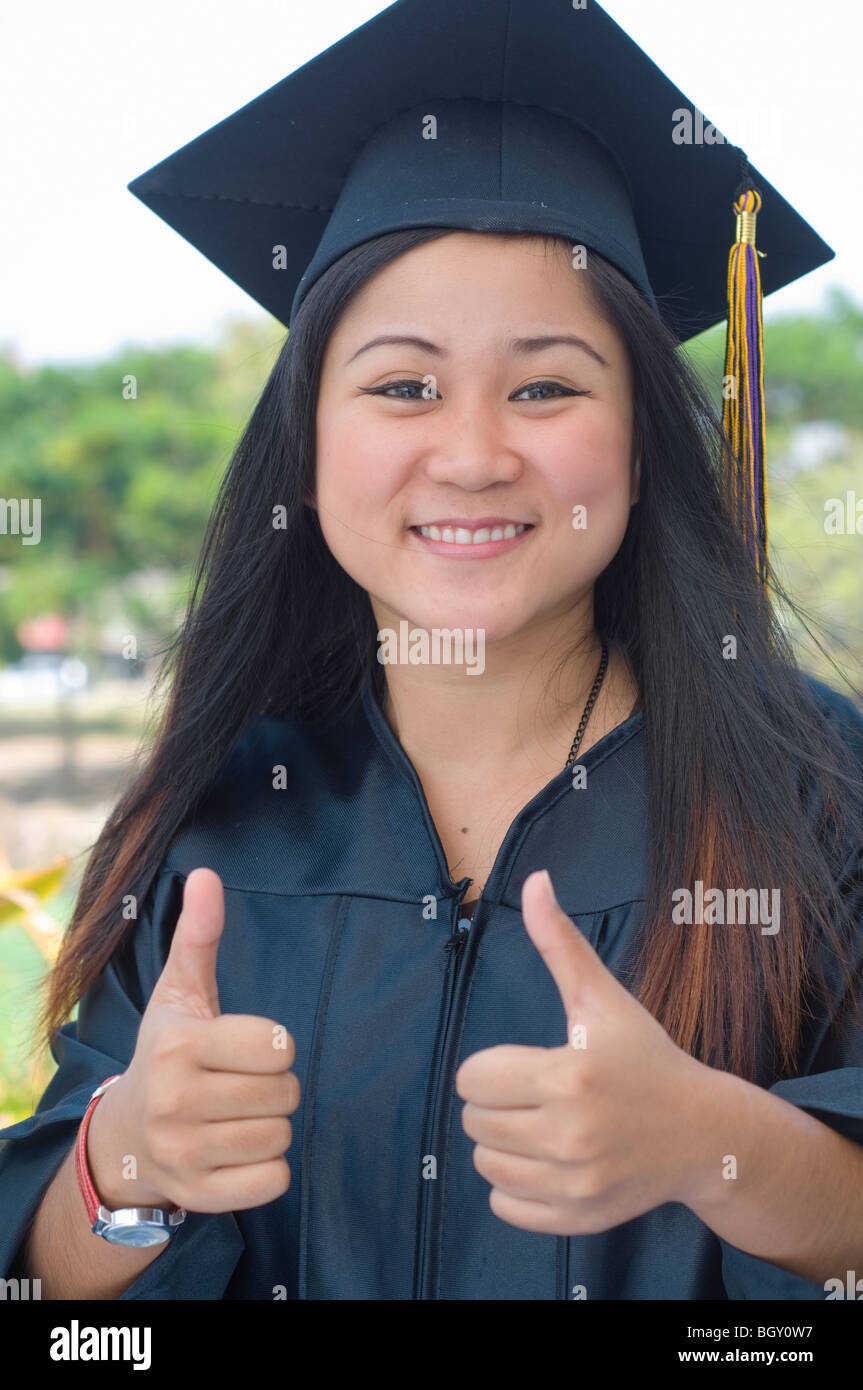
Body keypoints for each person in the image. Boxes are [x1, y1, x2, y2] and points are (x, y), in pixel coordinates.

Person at [2, 0, 862, 1301]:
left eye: (547, 385)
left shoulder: (819, 797)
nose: (469, 452)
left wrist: (713, 1143)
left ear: (641, 441)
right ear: (308, 438)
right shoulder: (222, 821)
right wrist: (123, 1165)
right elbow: (51, 1287)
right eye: (403, 385)